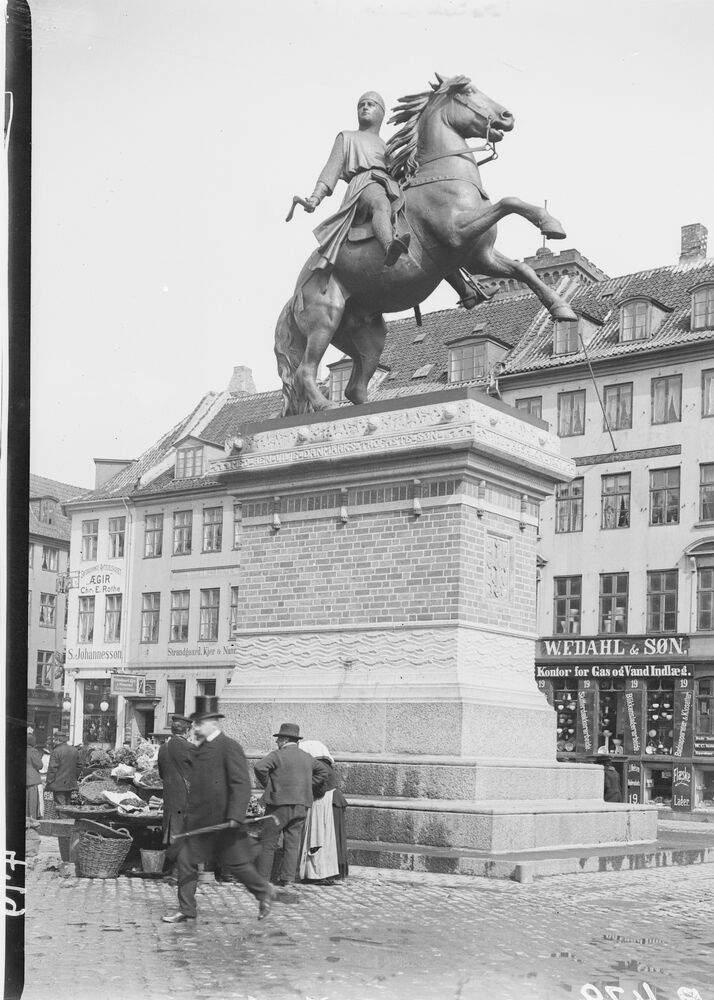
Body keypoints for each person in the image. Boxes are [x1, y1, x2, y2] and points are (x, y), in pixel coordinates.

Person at [163, 697, 295, 924]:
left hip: (223, 821)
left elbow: (241, 783)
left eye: (199, 723)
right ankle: (187, 909)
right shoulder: (199, 750)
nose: (195, 728)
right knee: (185, 860)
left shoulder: (229, 746)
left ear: (213, 723)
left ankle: (264, 892)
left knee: (237, 865)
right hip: (199, 821)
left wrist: (235, 815)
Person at [304, 91, 410, 270]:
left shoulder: (386, 146)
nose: (365, 107)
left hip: (388, 185)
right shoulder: (347, 137)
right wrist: (315, 197)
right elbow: (330, 170)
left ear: (381, 112)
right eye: (361, 105)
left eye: (370, 104)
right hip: (364, 184)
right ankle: (389, 246)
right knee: (381, 204)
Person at [253, 723, 330, 886]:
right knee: (293, 843)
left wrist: (269, 785)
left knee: (268, 842)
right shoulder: (307, 757)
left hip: (278, 805)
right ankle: (287, 878)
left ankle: (263, 879)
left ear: (285, 739)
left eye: (278, 738)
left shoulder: (277, 755)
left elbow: (259, 767)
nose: (277, 742)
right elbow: (324, 771)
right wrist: (307, 785)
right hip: (301, 804)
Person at [298, 740, 349, 884]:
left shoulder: (319, 767)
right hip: (330, 802)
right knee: (330, 839)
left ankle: (320, 873)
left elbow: (319, 790)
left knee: (320, 837)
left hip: (323, 804)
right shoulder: (325, 765)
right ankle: (328, 872)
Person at [157, 715, 195, 862]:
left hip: (169, 796)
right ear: (187, 731)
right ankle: (181, 868)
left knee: (171, 830)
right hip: (186, 796)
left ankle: (173, 867)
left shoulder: (163, 748)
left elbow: (161, 774)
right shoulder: (189, 748)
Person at [46, 732, 79, 807]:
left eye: (54, 739)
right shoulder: (74, 750)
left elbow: (52, 768)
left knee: (61, 807)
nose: (53, 741)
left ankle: (63, 815)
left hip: (58, 784)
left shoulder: (56, 751)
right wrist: (74, 777)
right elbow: (79, 766)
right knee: (68, 805)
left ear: (57, 740)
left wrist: (49, 781)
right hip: (70, 783)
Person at [26, 734, 44, 819]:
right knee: (32, 804)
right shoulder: (33, 751)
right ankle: (32, 821)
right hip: (32, 780)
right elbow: (39, 765)